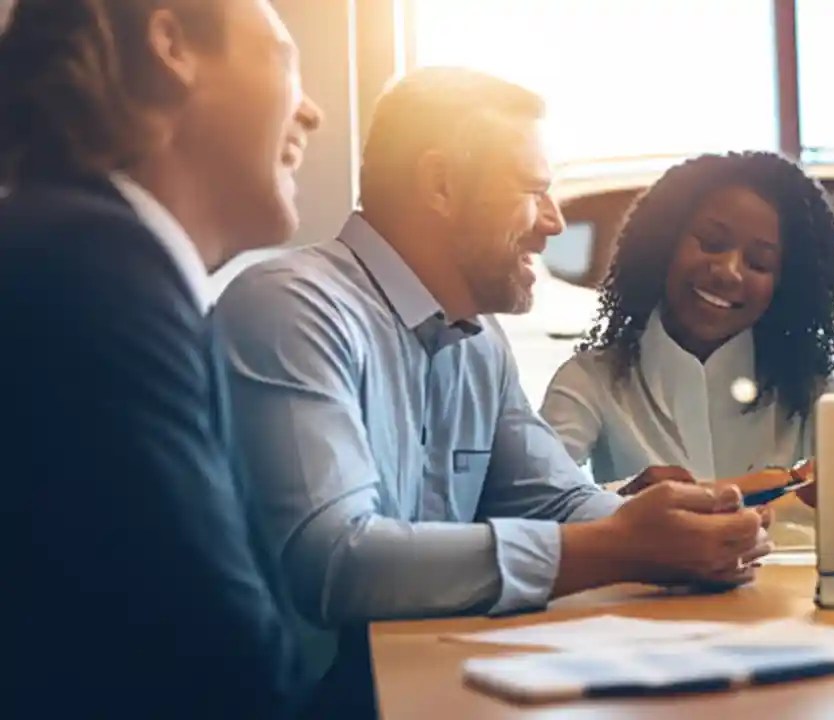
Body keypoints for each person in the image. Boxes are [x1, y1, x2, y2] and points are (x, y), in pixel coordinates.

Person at [214, 67, 771, 713]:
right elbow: (336, 564)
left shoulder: (478, 340)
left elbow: (556, 501)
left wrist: (685, 532)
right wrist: (620, 546)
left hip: (422, 687)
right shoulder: (292, 307)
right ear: (442, 184)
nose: (555, 222)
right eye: (534, 190)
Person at [0, 1, 322, 717]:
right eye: (283, 59)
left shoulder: (82, 254)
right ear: (172, 45)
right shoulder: (89, 272)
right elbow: (222, 669)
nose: (313, 112)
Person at [540, 151, 834, 543]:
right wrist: (621, 499)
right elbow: (537, 504)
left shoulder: (810, 392)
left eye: (758, 263)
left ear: (785, 284)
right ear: (664, 242)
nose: (727, 271)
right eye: (712, 243)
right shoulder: (591, 380)